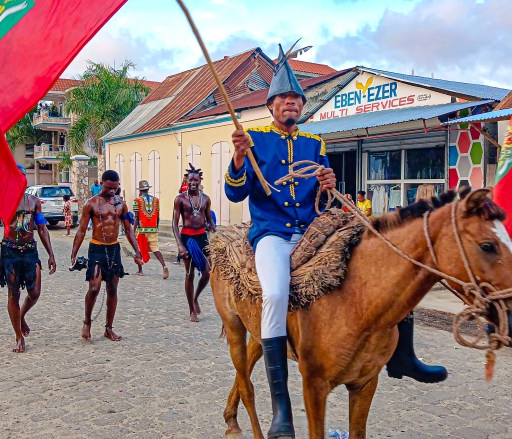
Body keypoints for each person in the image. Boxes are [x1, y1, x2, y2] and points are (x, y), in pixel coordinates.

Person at [224, 45, 443, 438]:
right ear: (272, 106)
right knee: (275, 295)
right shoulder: (253, 139)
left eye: (296, 99)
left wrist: (328, 184)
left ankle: (404, 356)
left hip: (314, 230)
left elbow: (321, 199)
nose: (290, 104)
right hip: (272, 233)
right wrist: (239, 160)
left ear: (301, 106)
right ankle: (281, 409)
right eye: (283, 100)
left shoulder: (314, 143)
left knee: (385, 262)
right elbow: (236, 194)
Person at [0, 164, 57, 353]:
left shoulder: (34, 202)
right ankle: (18, 336)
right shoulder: (0, 201)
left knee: (35, 293)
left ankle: (22, 315)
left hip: (29, 251)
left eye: (22, 178)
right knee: (13, 294)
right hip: (9, 252)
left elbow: (42, 228)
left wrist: (51, 254)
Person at [71, 170, 142, 342]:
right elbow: (81, 230)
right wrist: (73, 253)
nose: (112, 191)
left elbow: (128, 229)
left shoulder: (121, 204)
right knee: (94, 287)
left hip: (114, 249)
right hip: (96, 249)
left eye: (115, 188)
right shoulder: (91, 204)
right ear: (102, 183)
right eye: (108, 187)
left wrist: (137, 251)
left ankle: (109, 329)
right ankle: (87, 322)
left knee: (112, 289)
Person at [172, 165, 215, 323]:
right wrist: (180, 245)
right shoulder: (180, 199)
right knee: (189, 274)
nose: (193, 182)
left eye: (196, 180)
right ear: (186, 180)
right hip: (187, 238)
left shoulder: (206, 199)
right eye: (190, 180)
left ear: (200, 181)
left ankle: (196, 297)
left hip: (202, 237)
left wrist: (213, 228)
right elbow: (175, 224)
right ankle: (191, 309)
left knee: (207, 272)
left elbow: (209, 218)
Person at [133, 180, 168, 279]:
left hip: (142, 230)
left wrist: (133, 230)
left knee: (139, 249)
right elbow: (157, 217)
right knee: (155, 249)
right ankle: (164, 265)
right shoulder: (156, 200)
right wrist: (156, 227)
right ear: (148, 189)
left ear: (140, 190)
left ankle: (140, 270)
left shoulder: (137, 201)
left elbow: (136, 217)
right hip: (153, 228)